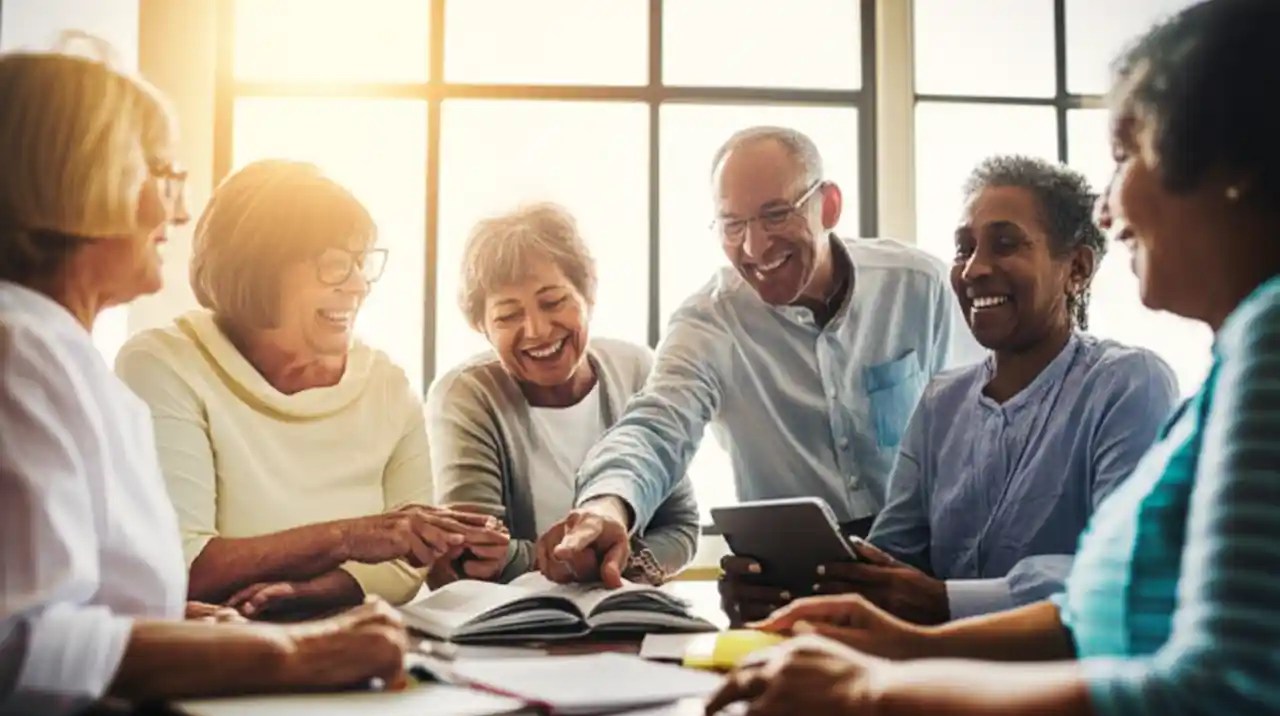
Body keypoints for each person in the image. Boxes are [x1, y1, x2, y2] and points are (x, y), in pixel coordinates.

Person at [707, 1, 1280, 716]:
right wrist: (883, 636)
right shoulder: (1231, 371)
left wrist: (874, 688)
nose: (1107, 208)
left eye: (1129, 157)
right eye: (966, 245)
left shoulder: (1261, 344)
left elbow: (1223, 687)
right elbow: (1093, 620)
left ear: (1233, 166)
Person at [0, 51, 408, 716]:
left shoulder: (55, 350)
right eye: (160, 175)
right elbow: (19, 647)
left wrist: (175, 625)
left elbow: (71, 604)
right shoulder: (20, 354)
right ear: (74, 181)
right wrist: (298, 655)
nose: (181, 209)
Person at [535, 126, 977, 600]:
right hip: (789, 585)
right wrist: (607, 505)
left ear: (827, 206)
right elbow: (655, 425)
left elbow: (981, 428)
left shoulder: (920, 286)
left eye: (775, 215)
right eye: (732, 226)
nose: (754, 248)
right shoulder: (710, 320)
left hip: (923, 571)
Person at [769, 156, 1178, 626]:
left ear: (1078, 269)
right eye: (964, 248)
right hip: (939, 672)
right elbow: (894, 558)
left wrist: (946, 600)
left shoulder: (1129, 385)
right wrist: (789, 587)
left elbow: (1127, 567)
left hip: (1066, 681)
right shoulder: (943, 401)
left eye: (1005, 245)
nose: (973, 269)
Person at [116, 159, 507, 619]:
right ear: (256, 269)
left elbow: (408, 562)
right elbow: (181, 564)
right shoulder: (164, 365)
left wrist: (312, 591)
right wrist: (350, 537)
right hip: (214, 654)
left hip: (352, 640)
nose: (359, 285)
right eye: (336, 265)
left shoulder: (386, 385)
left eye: (361, 264)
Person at [427, 203, 698, 584]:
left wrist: (611, 565)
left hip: (622, 611)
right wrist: (584, 560)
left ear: (588, 294)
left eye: (553, 302)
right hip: (513, 628)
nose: (536, 330)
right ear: (482, 326)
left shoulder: (636, 368)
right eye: (508, 316)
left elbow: (681, 526)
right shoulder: (467, 395)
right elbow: (474, 555)